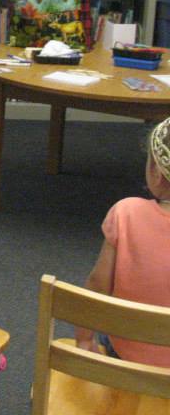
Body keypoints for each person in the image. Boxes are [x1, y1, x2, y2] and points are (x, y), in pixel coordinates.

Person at [75, 116, 170, 366]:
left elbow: (98, 284)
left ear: (157, 174)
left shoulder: (126, 213)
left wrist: (85, 340)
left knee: (114, 333)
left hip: (127, 353)